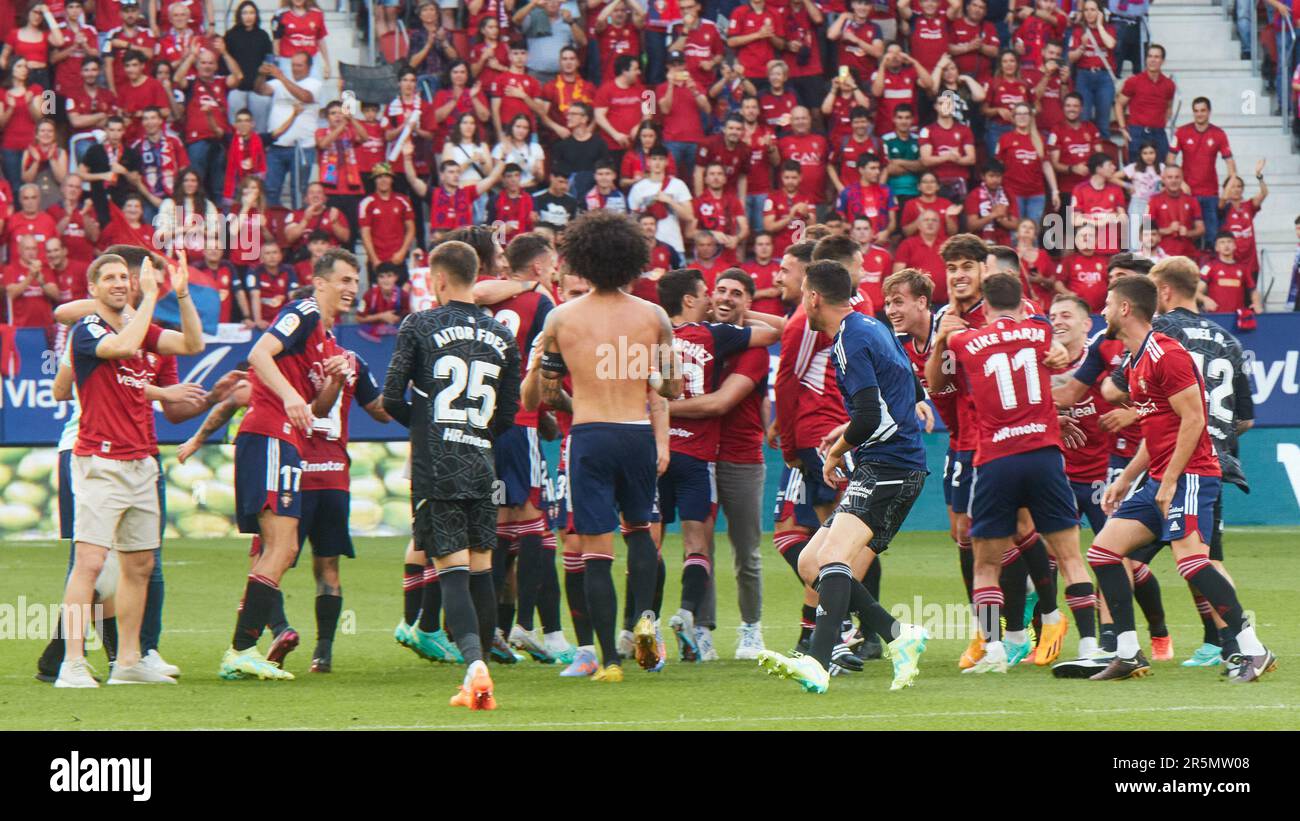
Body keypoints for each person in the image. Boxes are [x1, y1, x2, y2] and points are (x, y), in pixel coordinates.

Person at [1087, 270, 1274, 682]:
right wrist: (1126, 479)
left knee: (1192, 564)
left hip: (1191, 475)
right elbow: (1156, 431)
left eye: (1106, 302)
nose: (1101, 310)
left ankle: (1252, 648)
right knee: (1102, 553)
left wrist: (1170, 479)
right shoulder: (1137, 361)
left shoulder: (1166, 354)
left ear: (1124, 308)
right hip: (1160, 476)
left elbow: (1195, 419)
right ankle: (1128, 652)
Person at [757, 259, 931, 693]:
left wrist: (835, 451)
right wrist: (848, 432)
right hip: (891, 461)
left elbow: (870, 414)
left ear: (814, 297)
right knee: (809, 560)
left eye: (802, 296)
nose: (802, 303)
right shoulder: (869, 327)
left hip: (890, 465)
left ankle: (817, 660)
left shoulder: (848, 341)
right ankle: (898, 635)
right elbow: (902, 392)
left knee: (833, 557)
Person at [537, 210, 682, 681]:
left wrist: (567, 395)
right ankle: (643, 621)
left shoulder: (560, 318)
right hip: (637, 432)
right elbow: (672, 388)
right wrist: (650, 376)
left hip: (591, 433)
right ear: (631, 259)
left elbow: (546, 392)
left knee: (595, 550)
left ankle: (609, 661)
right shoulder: (654, 315)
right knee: (640, 532)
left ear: (581, 258)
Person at [55, 250, 204, 688]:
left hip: (142, 460)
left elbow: (193, 343)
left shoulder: (140, 327)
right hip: (100, 461)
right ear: (94, 288)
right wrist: (152, 299)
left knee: (139, 565)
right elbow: (120, 346)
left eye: (126, 276)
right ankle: (72, 664)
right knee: (90, 562)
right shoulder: (88, 330)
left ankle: (129, 662)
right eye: (111, 278)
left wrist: (182, 295)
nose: (121, 283)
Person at [383, 240, 521, 709]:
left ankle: (473, 667)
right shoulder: (502, 335)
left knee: (453, 574)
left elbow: (390, 397)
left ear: (438, 280)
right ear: (477, 277)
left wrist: (430, 428)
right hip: (482, 462)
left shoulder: (419, 324)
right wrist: (471, 431)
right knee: (482, 569)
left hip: (436, 466)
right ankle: (480, 667)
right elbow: (509, 414)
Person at [928, 270, 1081, 674]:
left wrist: (942, 337)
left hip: (994, 455)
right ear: (1022, 300)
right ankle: (1096, 644)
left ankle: (1000, 645)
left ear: (985, 300)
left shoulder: (964, 338)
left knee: (985, 560)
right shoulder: (1039, 329)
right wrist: (1059, 351)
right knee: (1068, 555)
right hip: (1043, 452)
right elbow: (1055, 342)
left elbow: (935, 381)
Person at [220, 248, 358, 682]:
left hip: (287, 440)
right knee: (280, 547)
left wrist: (334, 380)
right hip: (270, 434)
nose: (352, 288)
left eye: (356, 281)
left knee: (283, 547)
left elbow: (318, 408)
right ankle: (241, 649)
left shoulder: (329, 344)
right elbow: (259, 353)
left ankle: (243, 649)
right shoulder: (305, 310)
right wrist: (290, 396)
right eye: (344, 279)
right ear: (320, 282)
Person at [657, 267, 778, 661]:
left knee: (747, 552)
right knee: (699, 548)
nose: (725, 298)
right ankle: (702, 629)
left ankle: (751, 628)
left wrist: (664, 408)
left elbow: (721, 402)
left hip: (741, 458)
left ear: (748, 301)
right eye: (720, 291)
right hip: (699, 455)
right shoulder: (701, 339)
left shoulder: (752, 350)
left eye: (736, 293)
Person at [1168, 97, 1235, 250]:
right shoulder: (1182, 132)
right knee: (1189, 237)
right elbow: (1170, 160)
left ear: (1209, 112)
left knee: (1212, 238)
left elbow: (1231, 167)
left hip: (1210, 194)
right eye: (1196, 111)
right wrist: (1181, 183)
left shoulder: (1219, 134)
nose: (1199, 114)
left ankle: (1208, 272)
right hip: (1187, 194)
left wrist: (1226, 193)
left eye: (1203, 110)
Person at [257, 51, 321, 210]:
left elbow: (305, 97)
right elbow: (261, 90)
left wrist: (282, 77)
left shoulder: (314, 83)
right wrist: (261, 75)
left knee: (298, 191)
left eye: (299, 65)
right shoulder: (279, 83)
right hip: (276, 145)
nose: (295, 69)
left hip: (302, 147)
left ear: (309, 67)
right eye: (293, 65)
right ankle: (273, 225)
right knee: (270, 190)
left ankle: (299, 226)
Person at [627, 145, 693, 257]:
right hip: (646, 248)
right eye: (654, 159)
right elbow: (632, 220)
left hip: (673, 244)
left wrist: (669, 201)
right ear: (648, 161)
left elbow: (689, 216)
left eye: (661, 159)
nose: (657, 163)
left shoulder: (678, 185)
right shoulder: (638, 188)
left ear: (667, 162)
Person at [1115, 43, 1175, 162]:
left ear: (1163, 61)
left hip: (1158, 132)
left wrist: (1161, 124)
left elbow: (1169, 108)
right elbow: (1119, 104)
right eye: (1150, 56)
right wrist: (1122, 129)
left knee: (1161, 171)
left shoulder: (1169, 85)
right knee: (1137, 172)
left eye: (1156, 57)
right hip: (1137, 132)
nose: (1152, 60)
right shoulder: (1134, 81)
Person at [223, 1, 274, 132]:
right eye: (245, 13)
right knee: (235, 129)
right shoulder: (230, 36)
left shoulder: (263, 35)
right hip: (237, 89)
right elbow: (224, 62)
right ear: (239, 15)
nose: (248, 16)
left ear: (256, 15)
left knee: (259, 129)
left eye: (251, 13)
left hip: (257, 90)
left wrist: (266, 81)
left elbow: (269, 59)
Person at [1219, 160, 1268, 281]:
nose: (1236, 189)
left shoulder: (1248, 206)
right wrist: (1233, 175)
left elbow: (1264, 193)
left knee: (1250, 299)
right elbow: (1223, 198)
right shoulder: (1223, 208)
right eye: (1232, 186)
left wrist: (1259, 175)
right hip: (1231, 263)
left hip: (1251, 264)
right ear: (1225, 188)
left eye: (1239, 186)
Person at [1146, 164, 1204, 259]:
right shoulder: (1153, 200)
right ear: (1163, 179)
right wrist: (1168, 230)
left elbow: (1201, 229)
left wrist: (1188, 233)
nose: (1173, 180)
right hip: (1162, 254)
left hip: (1187, 254)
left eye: (1177, 177)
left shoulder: (1192, 201)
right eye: (1170, 177)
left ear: (1182, 179)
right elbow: (1146, 228)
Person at [272, 0, 330, 80]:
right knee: (291, 90)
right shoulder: (280, 15)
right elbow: (276, 42)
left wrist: (327, 63)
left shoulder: (317, 14)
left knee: (312, 90)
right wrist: (276, 64)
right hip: (288, 61)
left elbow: (320, 40)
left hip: (311, 61)